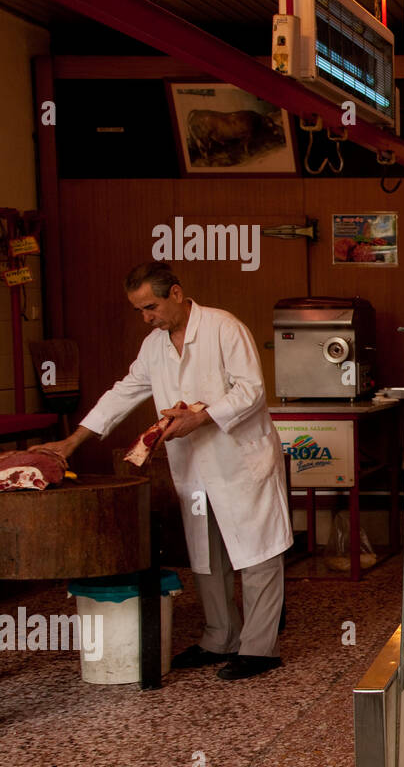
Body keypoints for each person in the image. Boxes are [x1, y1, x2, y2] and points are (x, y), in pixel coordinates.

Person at [39, 263, 292, 680]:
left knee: (258, 551)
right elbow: (123, 392)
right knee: (206, 554)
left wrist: (201, 417)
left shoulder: (223, 327)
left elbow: (251, 389)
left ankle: (260, 650)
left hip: (239, 459)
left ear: (176, 293)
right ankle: (220, 637)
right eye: (139, 310)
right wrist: (73, 441)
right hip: (193, 465)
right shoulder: (154, 345)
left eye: (150, 307)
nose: (146, 318)